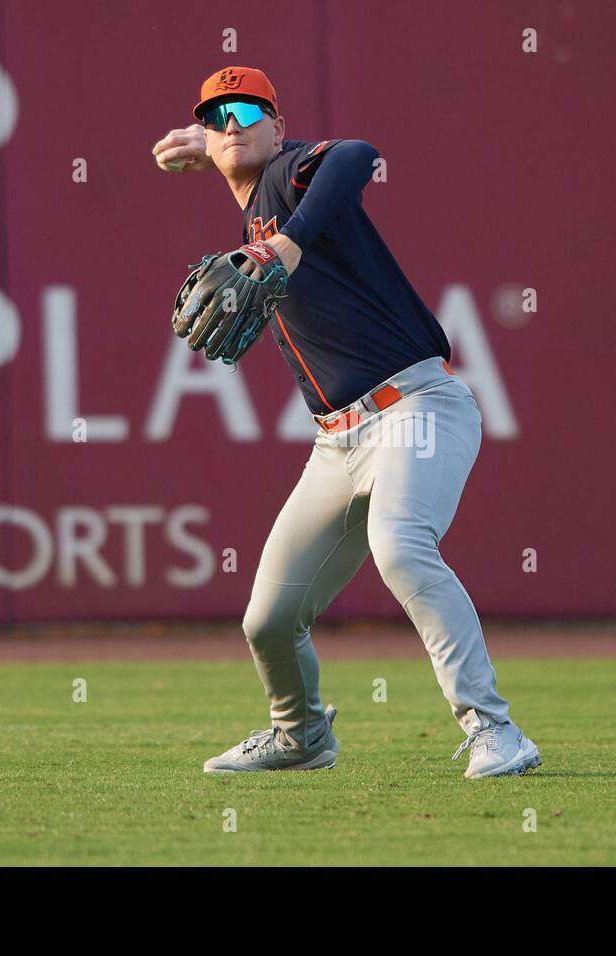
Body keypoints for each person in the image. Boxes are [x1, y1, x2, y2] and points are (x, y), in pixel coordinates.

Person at [151, 66, 540, 779]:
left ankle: (496, 731)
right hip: (337, 441)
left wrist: (286, 244)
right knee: (266, 620)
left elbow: (358, 154)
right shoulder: (249, 198)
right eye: (215, 114)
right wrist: (201, 142)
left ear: (279, 122)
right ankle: (301, 736)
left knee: (400, 544)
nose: (231, 122)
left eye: (247, 110)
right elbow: (227, 148)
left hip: (418, 407)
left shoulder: (290, 175)